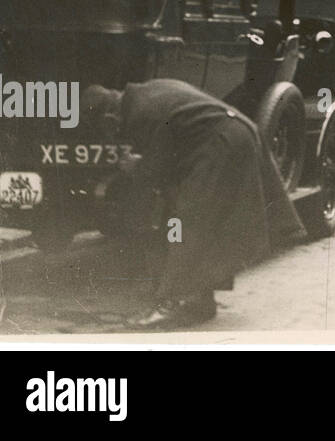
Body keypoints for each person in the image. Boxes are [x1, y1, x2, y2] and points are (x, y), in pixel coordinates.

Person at [80, 78, 306, 330]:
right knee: (198, 223)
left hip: (221, 144)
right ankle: (199, 300)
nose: (111, 133)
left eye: (107, 128)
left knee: (186, 223)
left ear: (110, 116)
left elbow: (158, 168)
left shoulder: (139, 113)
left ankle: (172, 303)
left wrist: (136, 168)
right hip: (235, 134)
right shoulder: (147, 92)